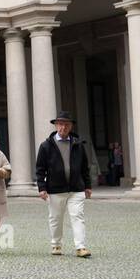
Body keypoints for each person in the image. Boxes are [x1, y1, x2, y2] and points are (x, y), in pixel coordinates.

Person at [35, 111, 93, 258]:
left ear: (71, 126)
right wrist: (42, 188)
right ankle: (56, 244)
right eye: (60, 124)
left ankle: (81, 247)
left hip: (76, 188)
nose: (63, 127)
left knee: (77, 216)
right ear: (55, 125)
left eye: (66, 124)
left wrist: (87, 185)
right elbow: (40, 169)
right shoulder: (46, 146)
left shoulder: (78, 144)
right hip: (55, 189)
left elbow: (84, 167)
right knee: (55, 218)